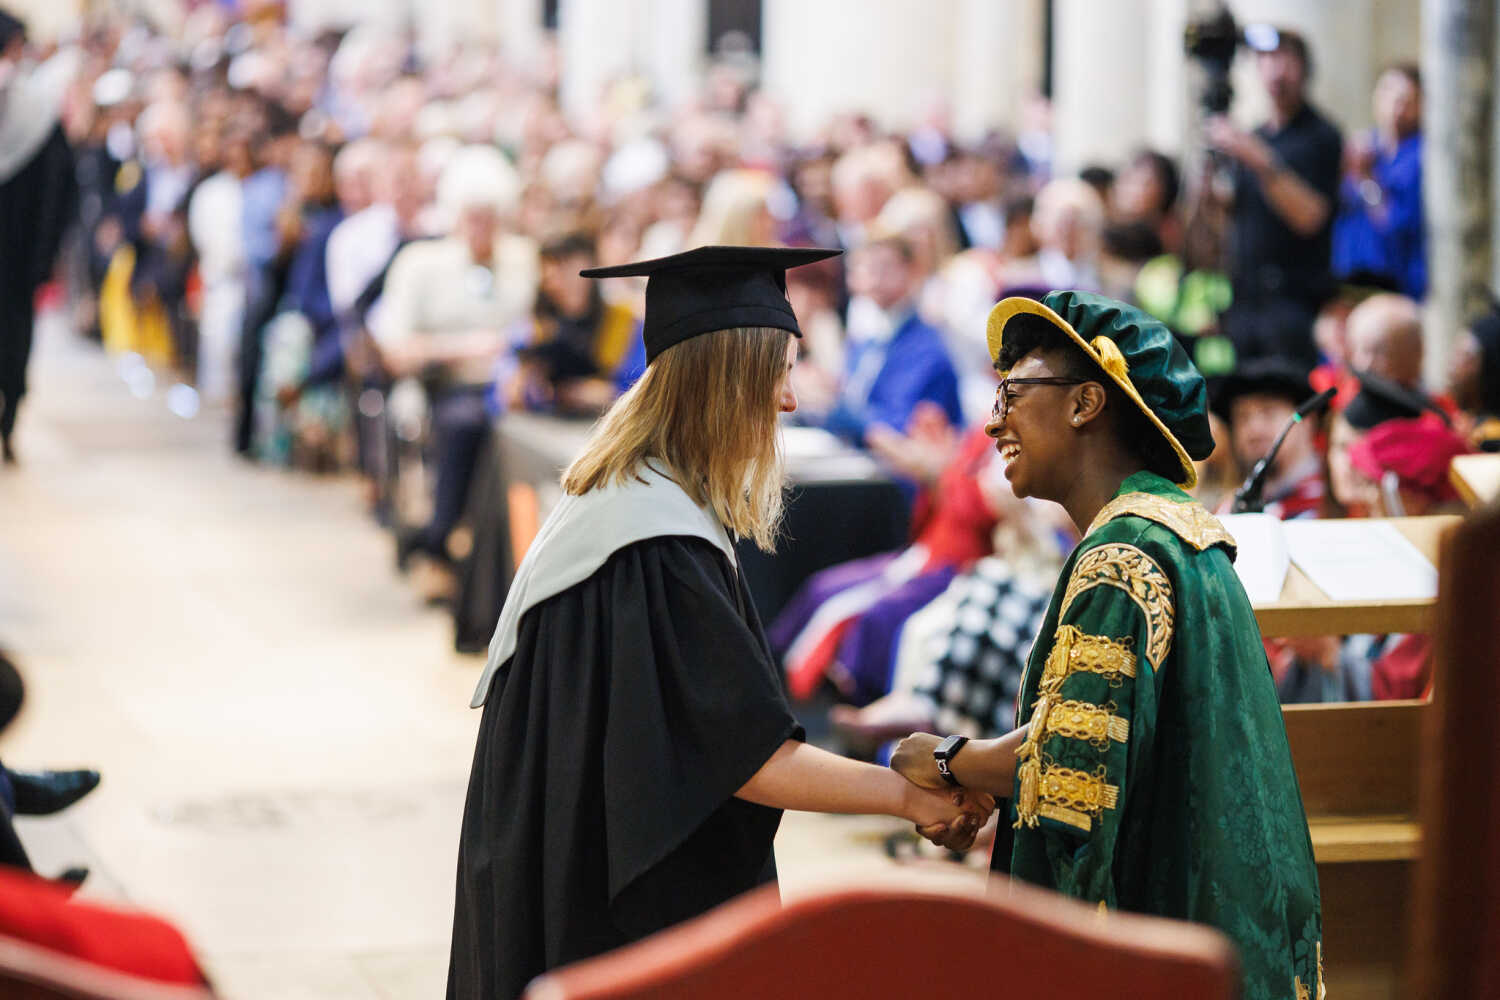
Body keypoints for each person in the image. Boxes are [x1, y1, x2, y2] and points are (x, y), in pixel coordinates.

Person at [446, 246, 991, 999]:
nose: (790, 400)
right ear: (728, 380)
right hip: (601, 891)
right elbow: (748, 758)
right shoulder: (656, 543)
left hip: (565, 854)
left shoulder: (628, 493)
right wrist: (906, 794)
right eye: (780, 371)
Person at [890, 291, 1324, 1000]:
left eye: (1013, 391)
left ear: (1086, 403)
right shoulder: (1176, 530)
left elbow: (1071, 786)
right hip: (1226, 928)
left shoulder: (1122, 561)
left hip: (1163, 942)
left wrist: (937, 757)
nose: (994, 418)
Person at [1208, 28, 1342, 370]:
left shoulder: (1320, 136)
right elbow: (1224, 220)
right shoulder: (1253, 136)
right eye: (1266, 60)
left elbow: (1310, 216)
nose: (1276, 70)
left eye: (1286, 59)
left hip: (1292, 302)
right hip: (1245, 299)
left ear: (1304, 69)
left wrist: (1257, 159)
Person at [0, 12, 77, 463]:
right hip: (22, 257)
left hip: (19, 259)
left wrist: (45, 255)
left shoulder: (39, 110)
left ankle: (8, 419)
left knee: (12, 339)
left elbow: (60, 190)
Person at [823, 234, 964, 446]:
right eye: (864, 267)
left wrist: (838, 410)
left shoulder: (926, 348)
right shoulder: (868, 339)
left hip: (901, 466)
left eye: (885, 267)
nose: (873, 278)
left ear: (911, 271)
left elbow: (902, 424)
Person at [1332, 64, 1425, 300]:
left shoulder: (1420, 156)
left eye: (1406, 100)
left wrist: (1365, 177)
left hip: (1395, 283)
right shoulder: (1363, 147)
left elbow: (1395, 225)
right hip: (1348, 276)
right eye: (1388, 94)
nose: (1396, 107)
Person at [1211, 359, 1324, 519]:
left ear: (1307, 422)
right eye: (1243, 417)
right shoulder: (1227, 514)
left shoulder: (1339, 504)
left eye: (1268, 412)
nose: (1254, 429)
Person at [1448, 304, 1500, 452]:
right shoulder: (1457, 418)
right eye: (1454, 354)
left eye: (1464, 357)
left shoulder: (1488, 442)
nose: (1452, 366)